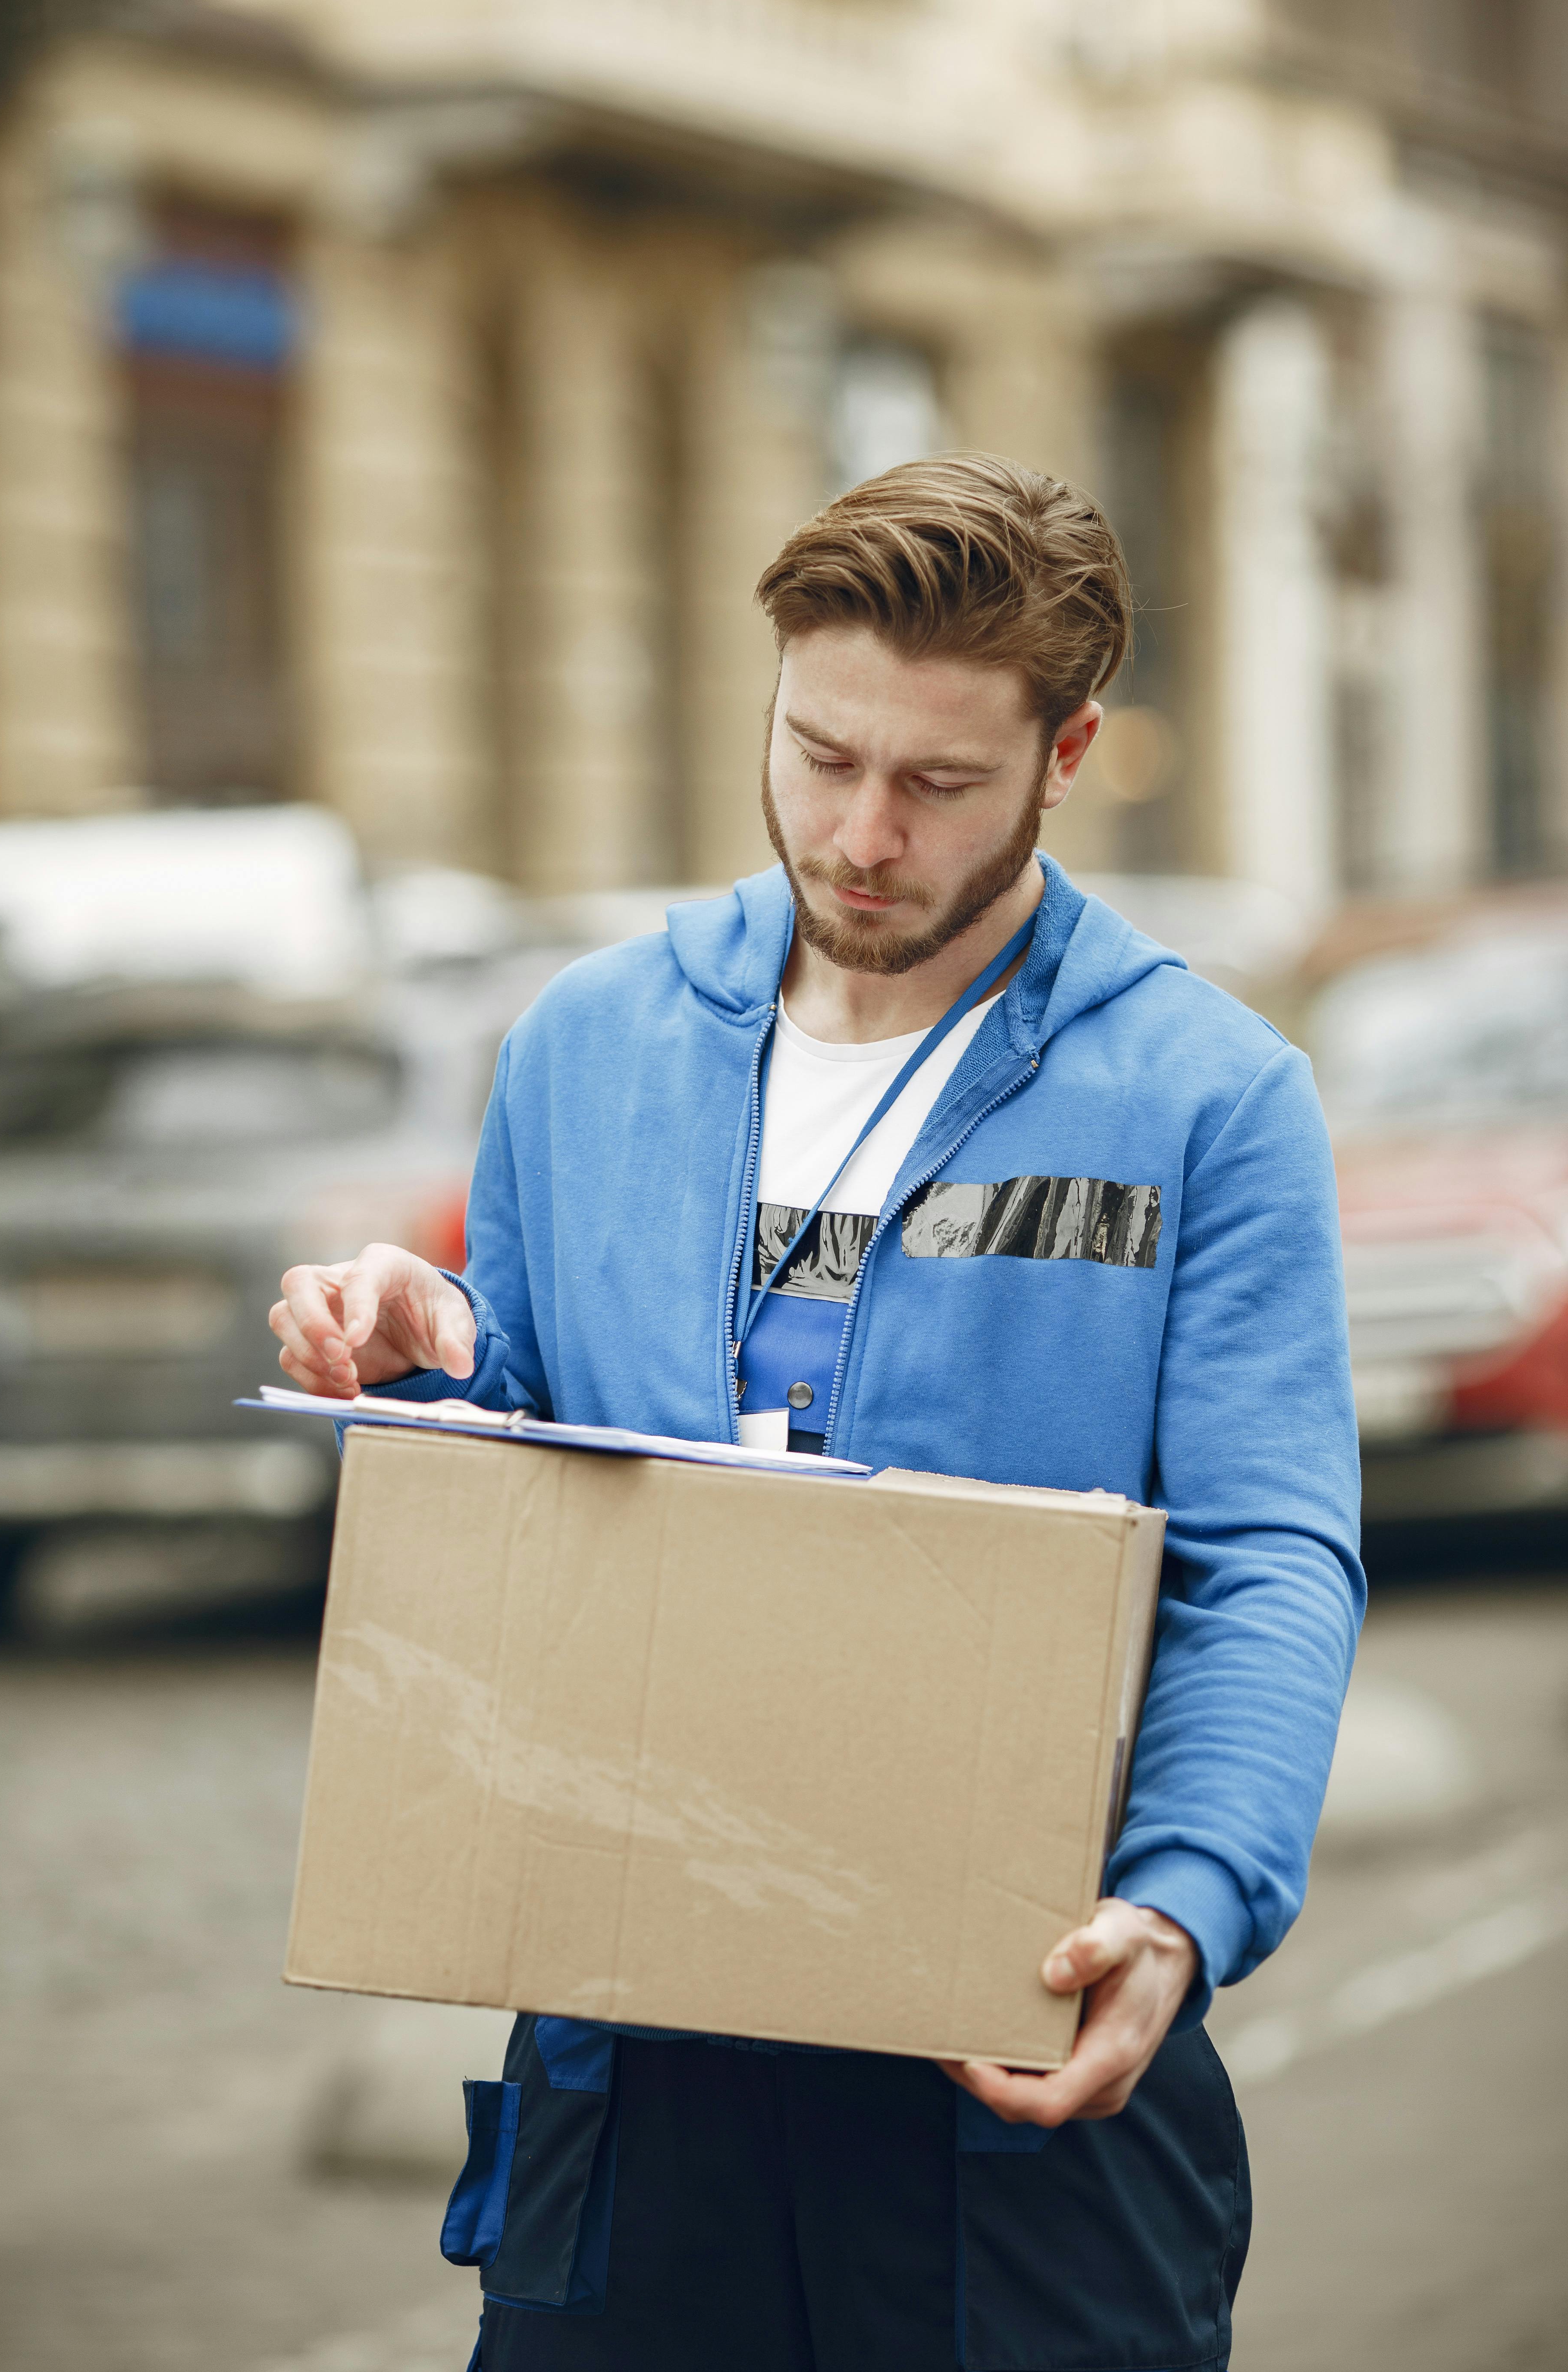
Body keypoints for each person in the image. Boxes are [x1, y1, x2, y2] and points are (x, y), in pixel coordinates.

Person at [271, 455, 1362, 2372]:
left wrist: (1186, 1907)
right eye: (820, 754)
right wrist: (432, 1348)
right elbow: (541, 1455)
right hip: (630, 2068)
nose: (861, 834)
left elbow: (1267, 1560)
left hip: (1015, 2067)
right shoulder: (586, 1044)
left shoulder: (1209, 1098)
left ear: (1067, 754)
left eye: (939, 782)